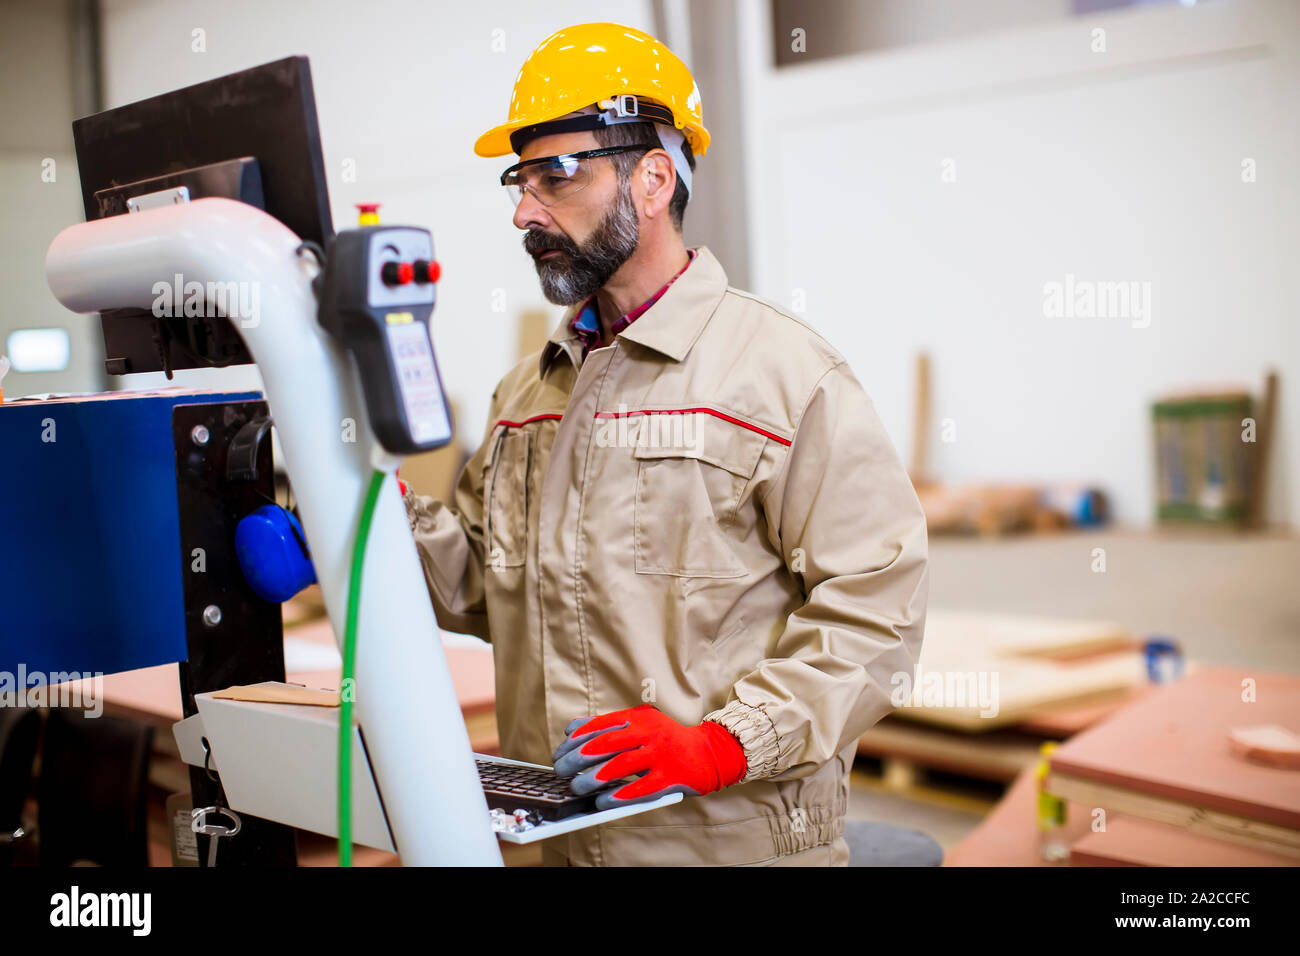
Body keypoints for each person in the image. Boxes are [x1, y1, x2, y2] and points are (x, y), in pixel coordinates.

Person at [404, 21, 929, 866]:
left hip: (724, 846)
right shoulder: (526, 394)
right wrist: (366, 525)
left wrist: (723, 745)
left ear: (653, 179)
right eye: (520, 177)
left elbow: (877, 612)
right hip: (555, 842)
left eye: (556, 174)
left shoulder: (785, 375)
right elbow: (482, 584)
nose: (523, 210)